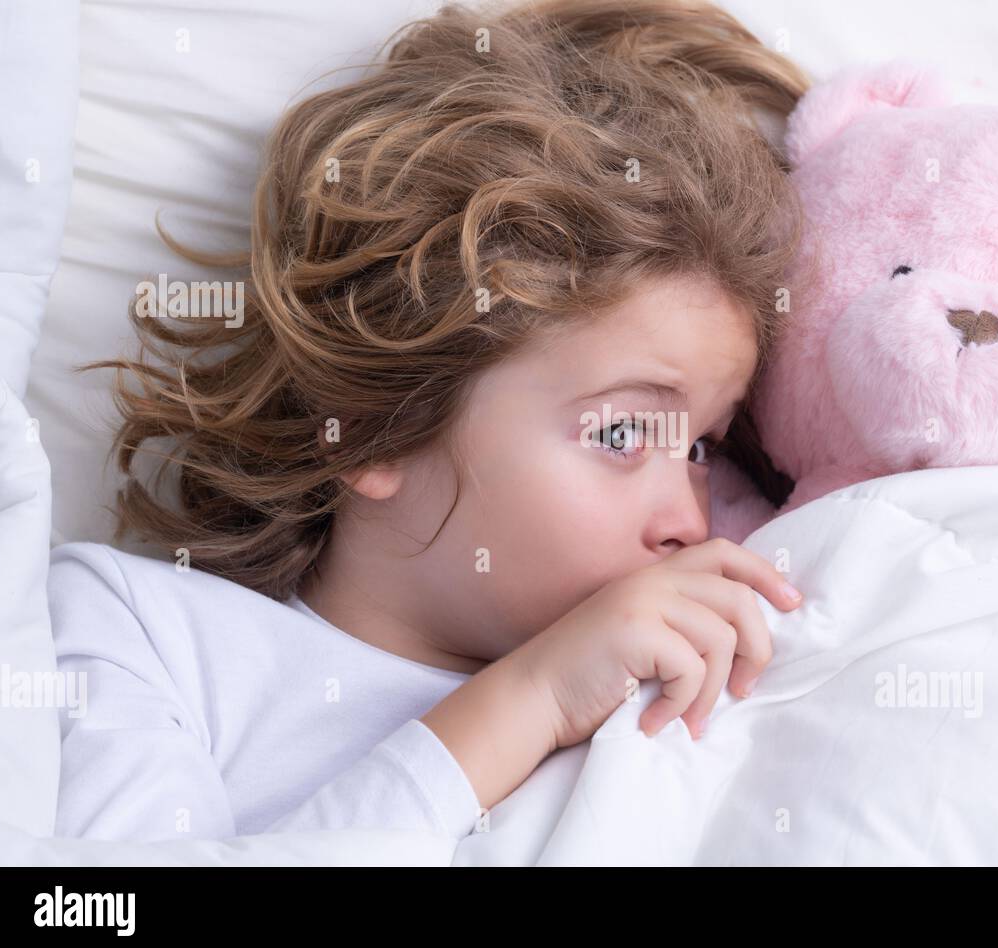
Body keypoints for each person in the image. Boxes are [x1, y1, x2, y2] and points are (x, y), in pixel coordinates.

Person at [50, 0, 810, 843]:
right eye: (623, 434)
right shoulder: (137, 631)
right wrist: (532, 700)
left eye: (701, 445)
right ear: (381, 426)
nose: (690, 522)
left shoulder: (688, 676)